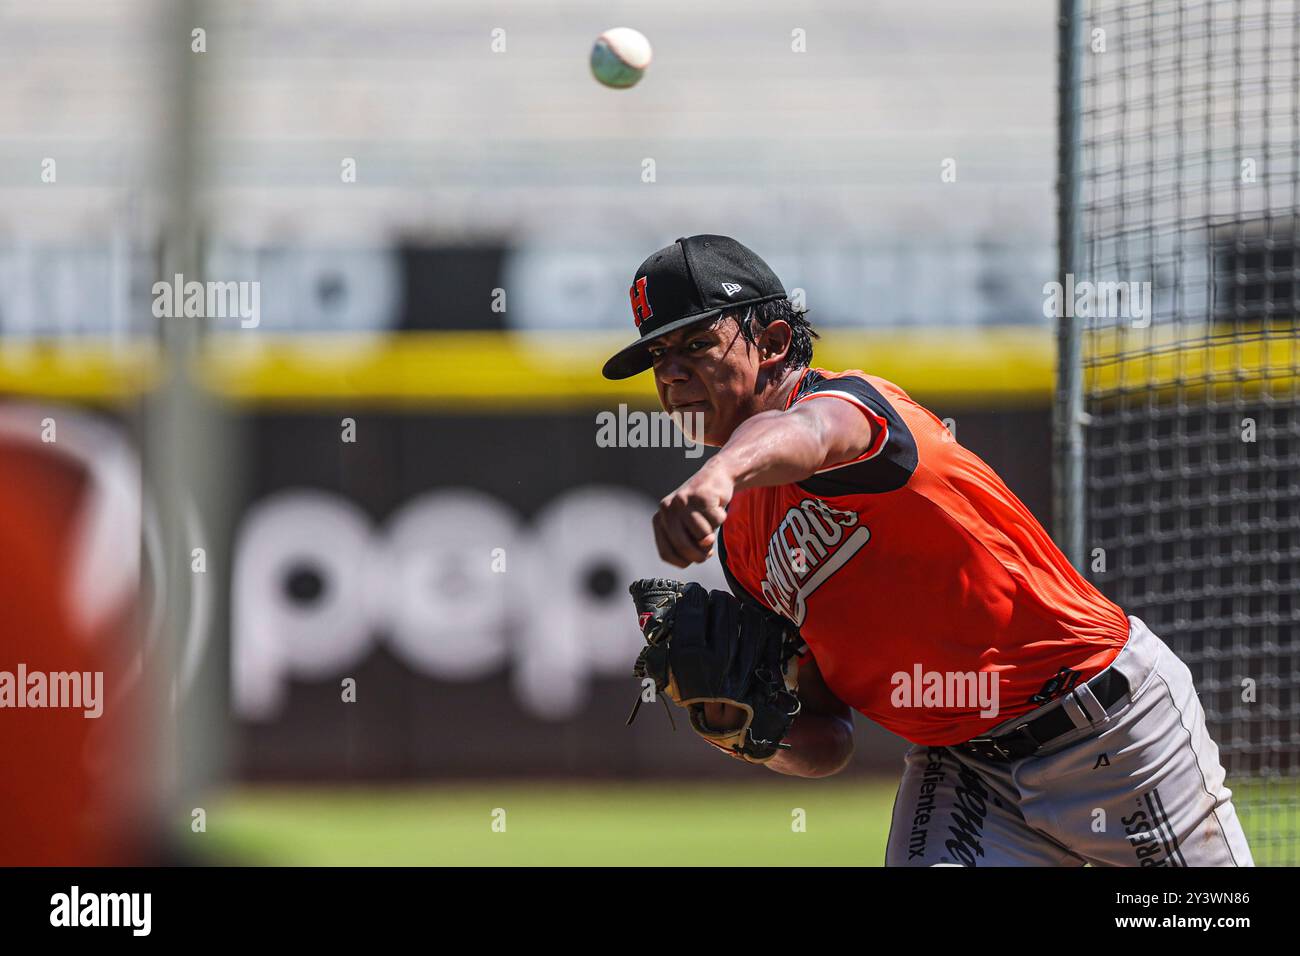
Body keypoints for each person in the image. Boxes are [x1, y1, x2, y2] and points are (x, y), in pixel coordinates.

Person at [602, 234, 1254, 867]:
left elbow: (802, 433)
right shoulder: (743, 539)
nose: (673, 376)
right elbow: (829, 739)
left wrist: (718, 474)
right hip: (964, 768)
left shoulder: (854, 410)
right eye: (659, 358)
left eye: (696, 345)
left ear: (772, 344)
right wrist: (748, 735)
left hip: (1110, 731)